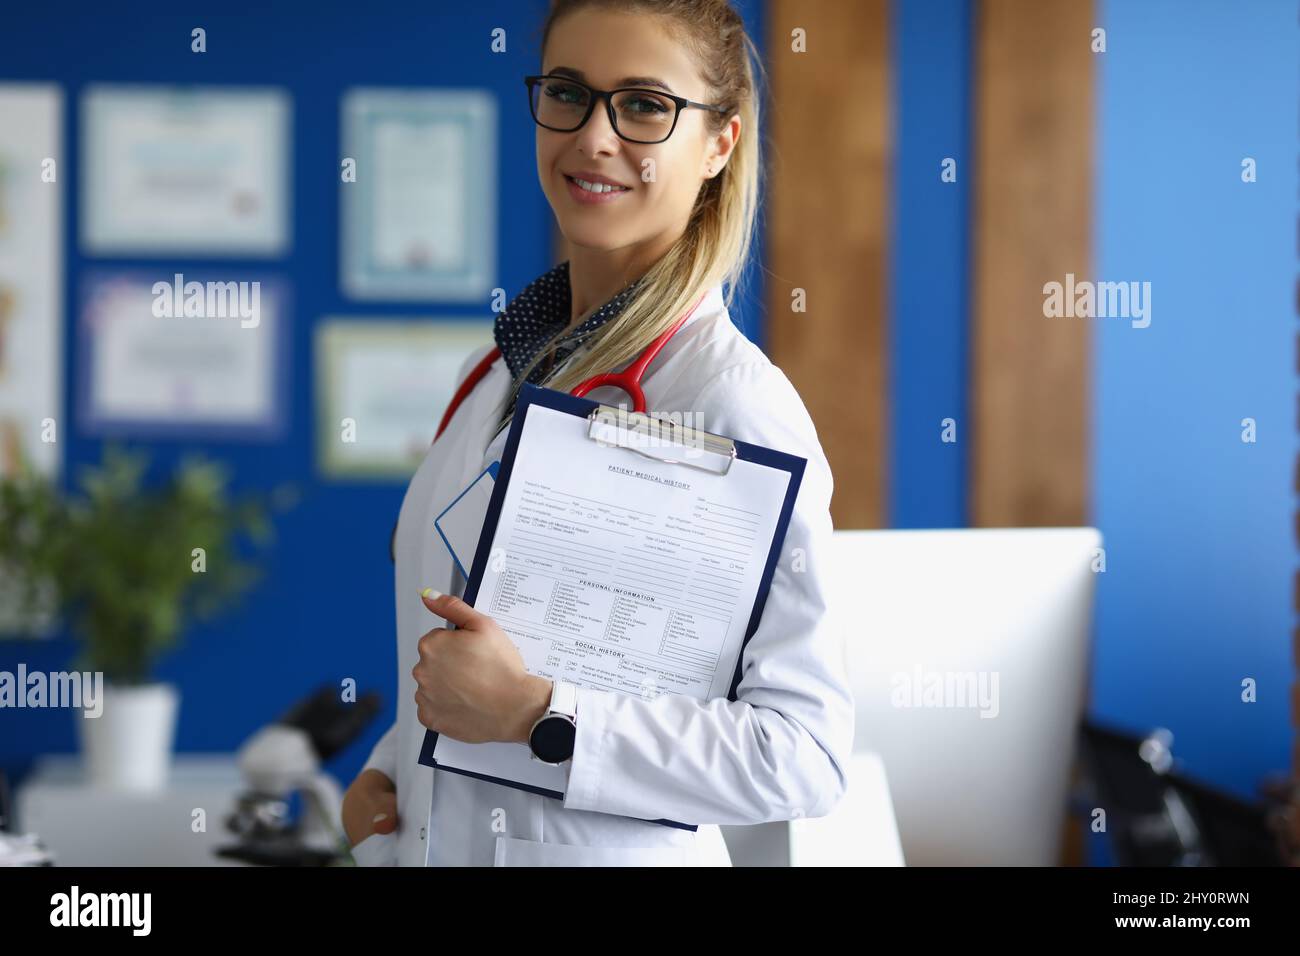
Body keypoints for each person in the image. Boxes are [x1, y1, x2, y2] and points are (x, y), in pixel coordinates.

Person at [342, 0, 854, 866]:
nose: (593, 138)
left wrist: (540, 717)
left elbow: (805, 754)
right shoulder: (494, 372)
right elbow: (463, 662)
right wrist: (389, 779)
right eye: (569, 93)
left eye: (645, 104)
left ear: (721, 143)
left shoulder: (732, 407)